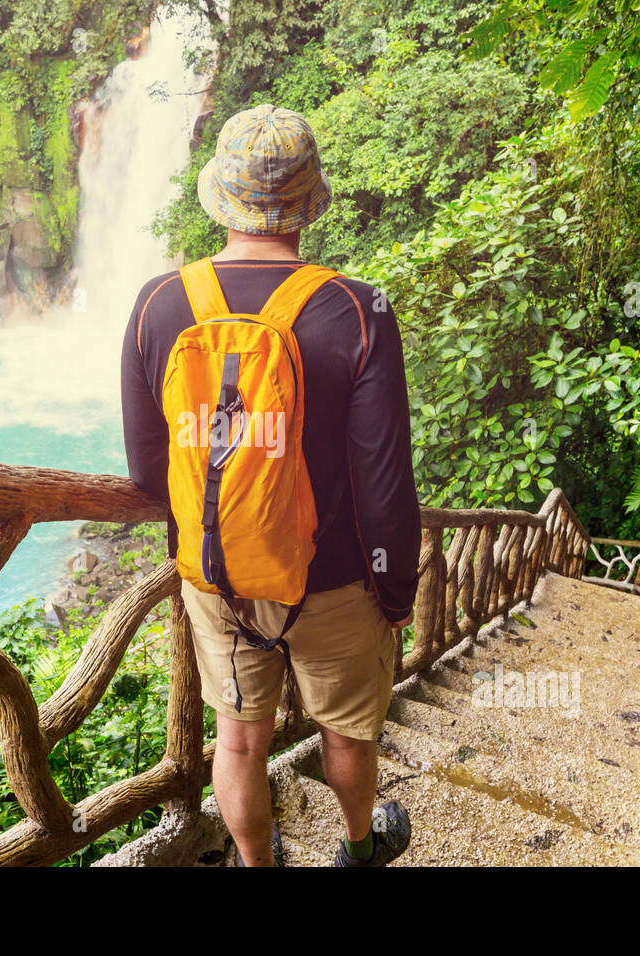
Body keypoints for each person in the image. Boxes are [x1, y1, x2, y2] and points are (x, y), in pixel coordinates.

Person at [121, 103, 420, 867]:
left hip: (219, 575)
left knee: (241, 739)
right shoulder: (358, 308)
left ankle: (259, 865)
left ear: (221, 194)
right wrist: (396, 594)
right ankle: (359, 847)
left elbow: (146, 471)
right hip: (338, 579)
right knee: (347, 730)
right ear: (308, 202)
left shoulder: (159, 303)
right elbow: (384, 476)